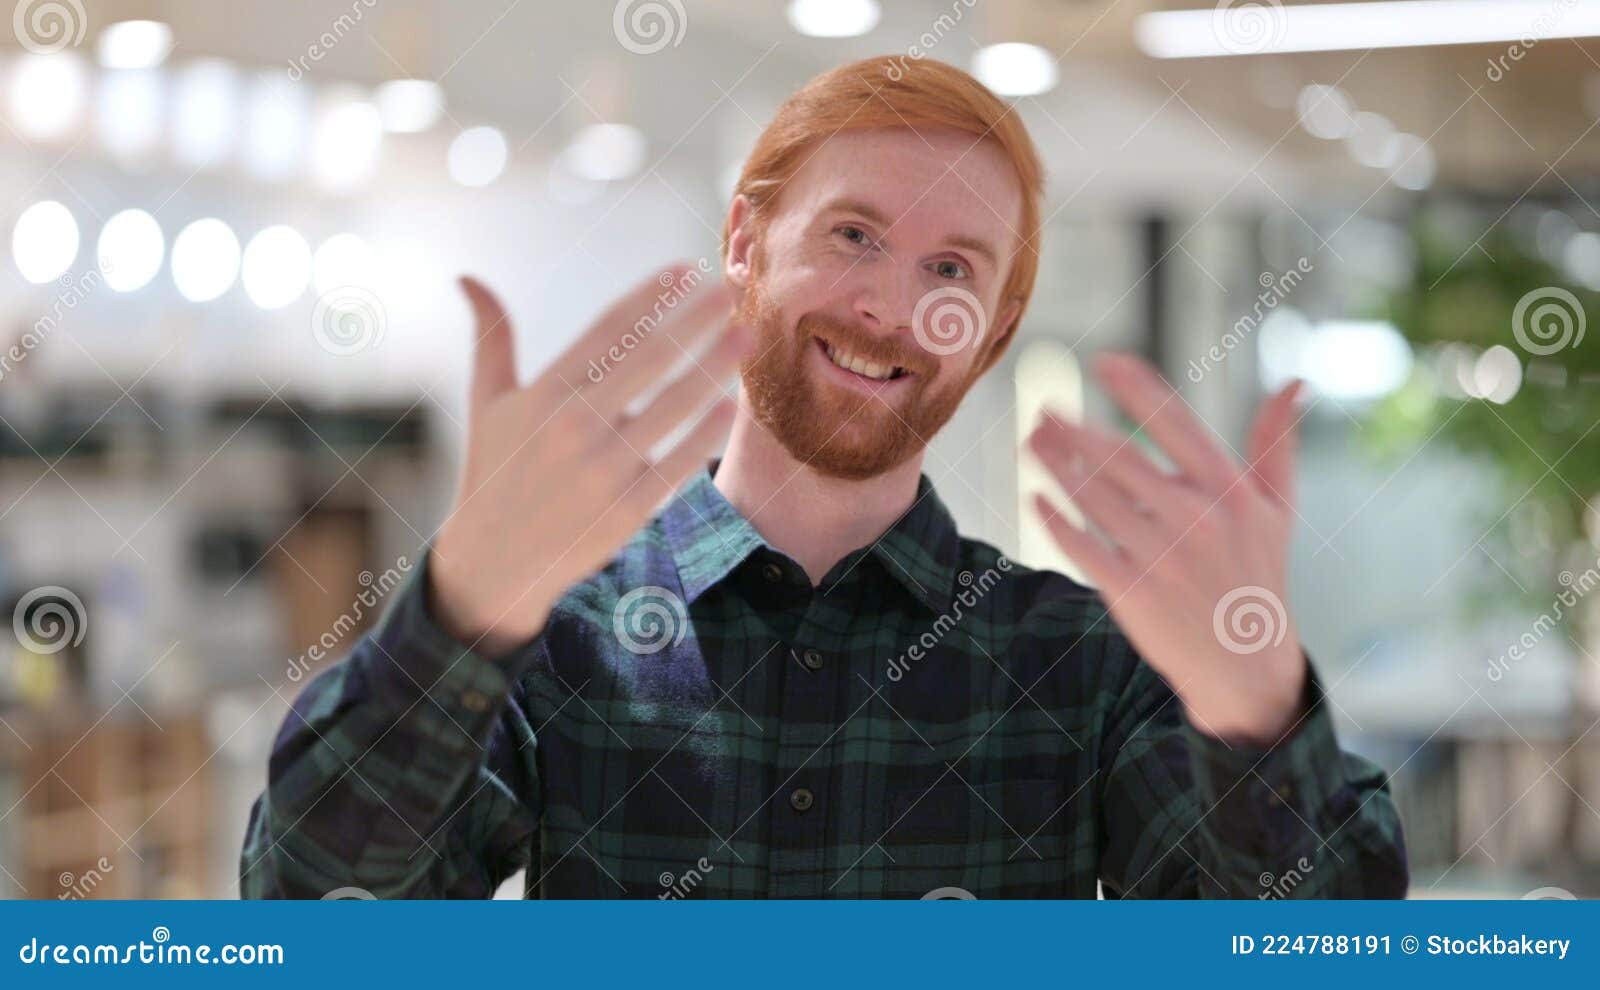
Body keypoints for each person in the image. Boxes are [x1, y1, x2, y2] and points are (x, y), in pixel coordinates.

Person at [240, 55, 1408, 899]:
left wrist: (1256, 708)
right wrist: (458, 614)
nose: (889, 306)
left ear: (991, 335)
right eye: (854, 235)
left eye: (949, 267)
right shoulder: (564, 636)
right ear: (746, 243)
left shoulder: (1086, 666)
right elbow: (318, 913)